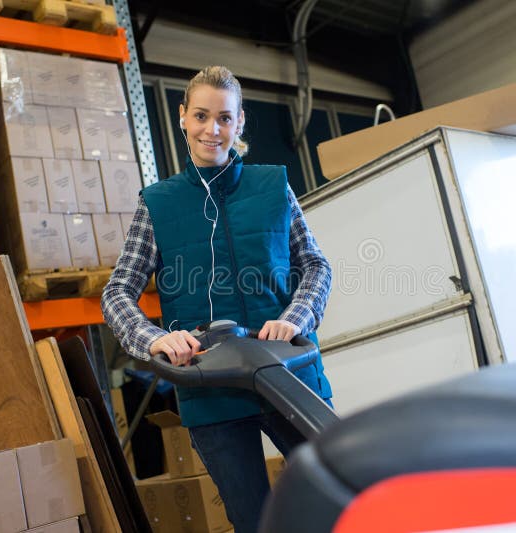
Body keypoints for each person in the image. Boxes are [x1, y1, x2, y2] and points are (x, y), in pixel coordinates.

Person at [101, 65, 334, 533]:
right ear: (183, 116)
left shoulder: (273, 187)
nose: (213, 129)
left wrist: (296, 318)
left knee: (336, 500)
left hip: (288, 373)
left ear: (239, 121)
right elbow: (117, 291)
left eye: (225, 118)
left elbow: (315, 265)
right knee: (253, 520)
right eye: (202, 116)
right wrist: (154, 339)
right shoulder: (157, 203)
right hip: (210, 388)